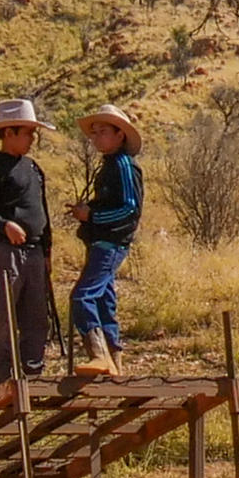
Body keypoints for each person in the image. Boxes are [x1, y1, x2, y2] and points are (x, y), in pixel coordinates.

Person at [0, 96, 58, 384]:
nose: (32, 138)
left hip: (33, 252)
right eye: (28, 132)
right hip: (3, 251)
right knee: (4, 319)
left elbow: (42, 211)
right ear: (9, 133)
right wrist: (5, 224)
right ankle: (4, 382)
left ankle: (33, 380)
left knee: (36, 317)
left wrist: (46, 251)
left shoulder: (32, 168)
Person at [68, 106, 144, 367]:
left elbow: (130, 208)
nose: (96, 138)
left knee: (82, 296)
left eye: (102, 132)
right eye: (94, 133)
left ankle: (99, 357)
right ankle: (114, 361)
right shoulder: (111, 165)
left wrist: (92, 216)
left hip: (111, 242)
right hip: (103, 242)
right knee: (102, 299)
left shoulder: (123, 165)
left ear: (119, 135)